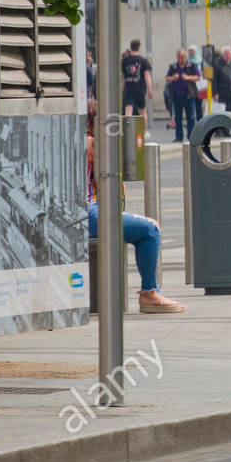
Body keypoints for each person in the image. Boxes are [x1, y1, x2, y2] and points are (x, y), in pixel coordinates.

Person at [85, 104, 183, 313]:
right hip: (88, 212)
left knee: (146, 226)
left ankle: (151, 291)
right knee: (150, 229)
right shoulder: (91, 143)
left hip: (88, 210)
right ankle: (149, 293)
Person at [166, 48, 201, 143]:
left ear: (185, 57)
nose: (180, 59)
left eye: (182, 57)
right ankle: (179, 137)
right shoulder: (173, 67)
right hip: (177, 96)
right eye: (178, 57)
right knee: (178, 117)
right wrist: (173, 78)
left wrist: (188, 77)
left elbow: (198, 77)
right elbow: (167, 78)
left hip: (189, 95)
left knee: (191, 117)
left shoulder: (191, 66)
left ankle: (191, 136)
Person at [121, 39, 154, 121]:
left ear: (131, 48)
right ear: (139, 48)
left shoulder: (125, 61)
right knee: (142, 112)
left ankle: (127, 132)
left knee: (128, 111)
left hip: (128, 88)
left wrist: (123, 87)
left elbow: (124, 77)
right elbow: (147, 76)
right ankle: (144, 132)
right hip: (140, 88)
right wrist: (150, 89)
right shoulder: (143, 61)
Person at [213, 46, 231, 113]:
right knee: (221, 112)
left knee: (230, 112)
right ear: (222, 55)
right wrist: (215, 93)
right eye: (226, 54)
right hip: (221, 93)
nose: (228, 56)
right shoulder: (217, 64)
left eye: (229, 54)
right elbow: (214, 80)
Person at [187, 44, 205, 119]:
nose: (191, 52)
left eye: (192, 51)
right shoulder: (186, 61)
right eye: (189, 51)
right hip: (190, 86)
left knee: (199, 105)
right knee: (190, 106)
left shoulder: (201, 61)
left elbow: (205, 71)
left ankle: (199, 121)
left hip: (199, 85)